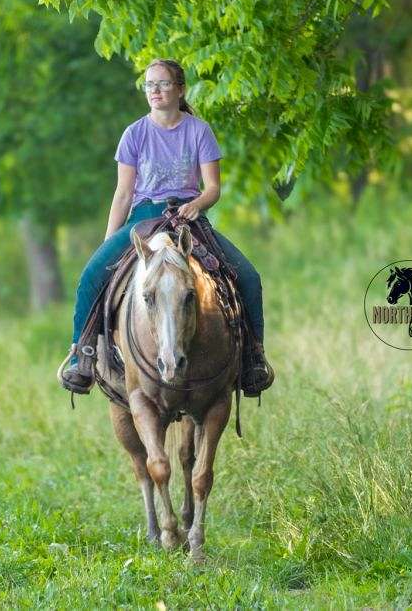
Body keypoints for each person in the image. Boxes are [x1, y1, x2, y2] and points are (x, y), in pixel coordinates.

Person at [59, 58, 275, 398]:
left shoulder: (199, 130)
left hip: (189, 218)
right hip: (143, 217)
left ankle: (252, 357)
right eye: (149, 85)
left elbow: (213, 188)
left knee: (247, 276)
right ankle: (82, 354)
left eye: (162, 84)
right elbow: (124, 192)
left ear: (180, 89)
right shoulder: (134, 133)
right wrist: (108, 239)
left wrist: (197, 205)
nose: (155, 91)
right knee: (91, 274)